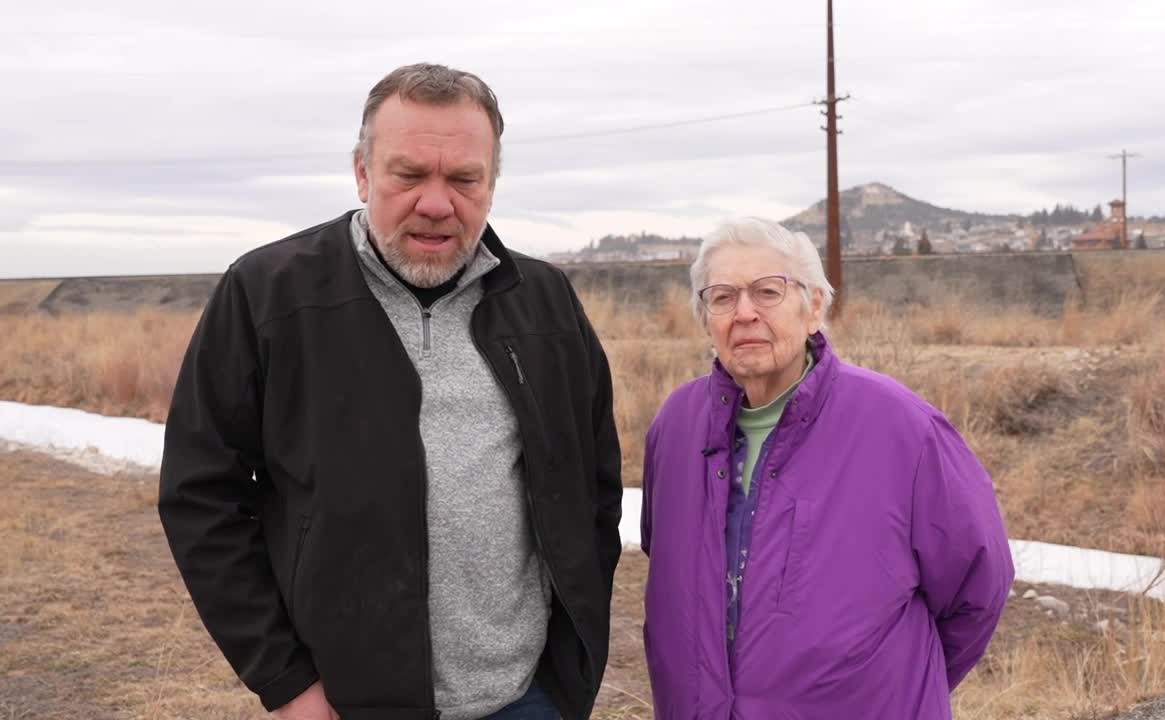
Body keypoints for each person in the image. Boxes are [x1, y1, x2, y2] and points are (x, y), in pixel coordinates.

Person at [158, 63, 622, 720]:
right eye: (409, 175)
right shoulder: (267, 296)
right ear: (362, 172)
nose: (437, 203)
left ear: (492, 183)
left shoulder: (545, 302)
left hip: (528, 697)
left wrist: (569, 671)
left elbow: (593, 489)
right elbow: (200, 498)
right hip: (346, 704)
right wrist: (286, 682)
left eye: (464, 178)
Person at [640, 217, 1014, 718]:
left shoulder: (901, 427)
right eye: (723, 297)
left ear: (814, 306)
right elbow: (665, 563)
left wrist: (901, 687)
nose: (744, 313)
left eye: (768, 291)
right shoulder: (677, 425)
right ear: (705, 318)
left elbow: (978, 584)